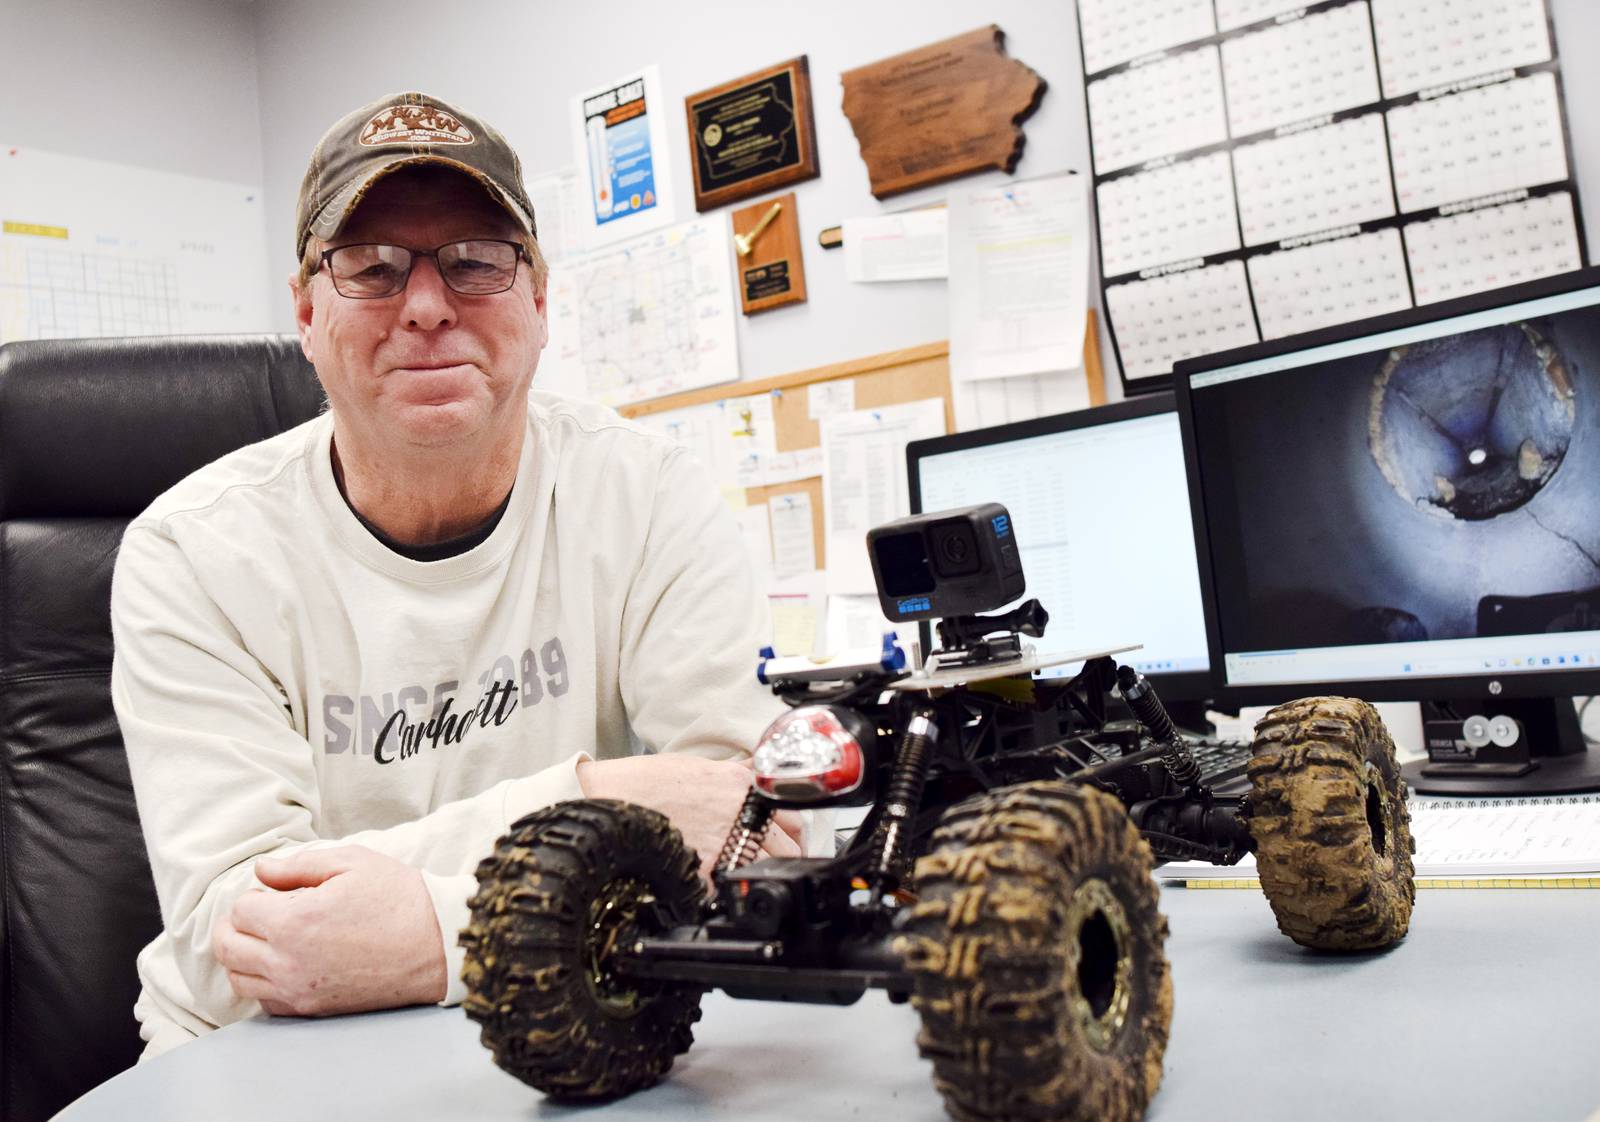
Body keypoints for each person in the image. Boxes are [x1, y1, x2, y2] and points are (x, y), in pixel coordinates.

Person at [110, 91, 797, 1057]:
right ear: (307, 311)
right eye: (371, 268)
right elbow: (245, 943)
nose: (427, 304)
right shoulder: (192, 552)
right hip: (258, 1056)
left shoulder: (646, 498)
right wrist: (598, 798)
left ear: (542, 302)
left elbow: (751, 837)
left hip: (572, 1022)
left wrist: (422, 935)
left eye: (476, 261)